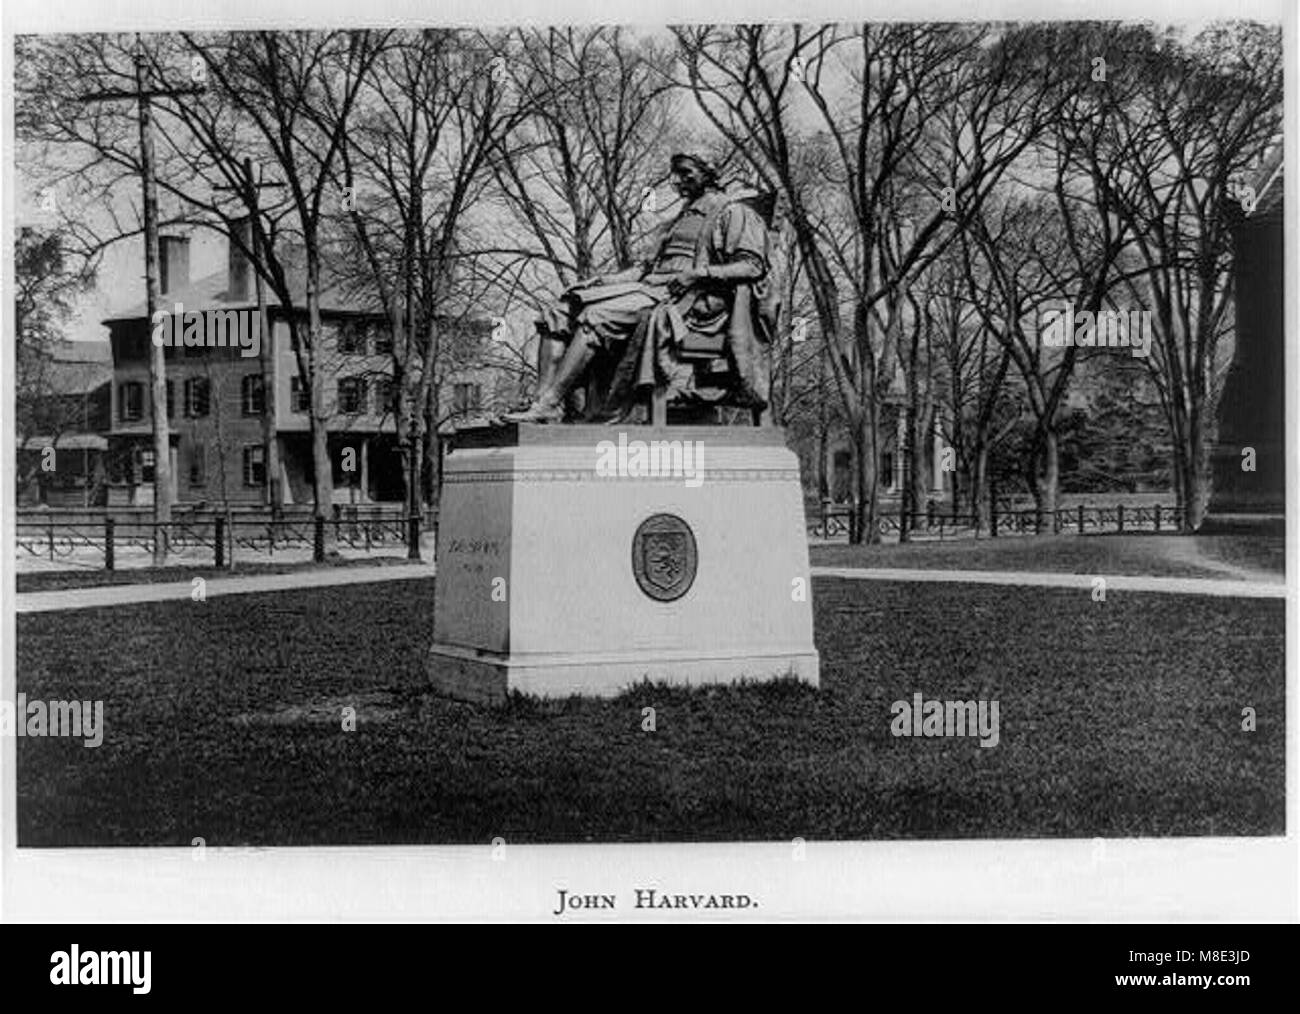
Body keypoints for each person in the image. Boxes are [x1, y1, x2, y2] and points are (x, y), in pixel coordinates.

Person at [504, 153, 772, 424]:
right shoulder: (676, 220)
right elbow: (644, 269)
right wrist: (607, 281)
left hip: (687, 301)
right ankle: (542, 405)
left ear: (708, 172)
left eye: (685, 173)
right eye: (674, 174)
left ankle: (552, 400)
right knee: (558, 312)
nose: (677, 180)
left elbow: (752, 266)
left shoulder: (732, 212)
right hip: (648, 289)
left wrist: (697, 274)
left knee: (596, 315)